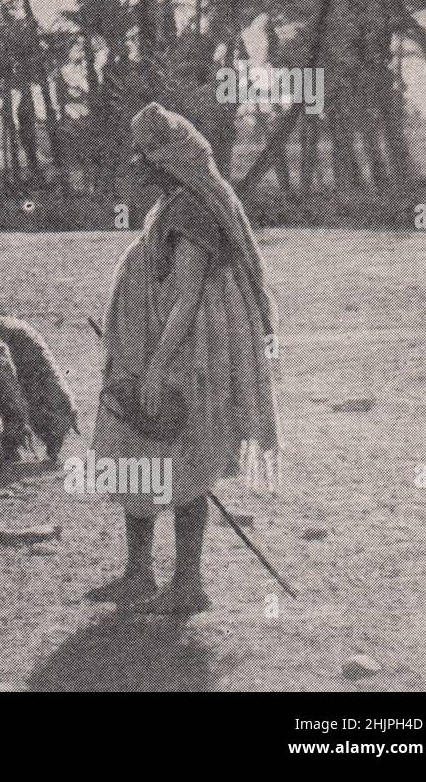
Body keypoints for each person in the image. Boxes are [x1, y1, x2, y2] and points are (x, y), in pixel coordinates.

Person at [86, 103, 280, 615]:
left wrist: (156, 365)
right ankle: (138, 574)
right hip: (153, 350)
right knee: (138, 451)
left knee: (182, 457)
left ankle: (188, 582)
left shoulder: (192, 210)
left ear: (165, 162)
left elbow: (189, 295)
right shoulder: (175, 202)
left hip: (186, 358)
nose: (141, 171)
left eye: (146, 161)